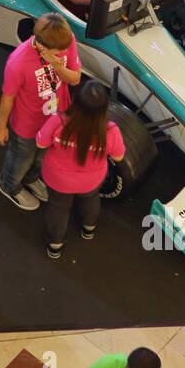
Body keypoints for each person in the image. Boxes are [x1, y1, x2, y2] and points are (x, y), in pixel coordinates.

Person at [0, 13, 82, 211]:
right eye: (59, 51)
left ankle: (30, 179)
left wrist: (58, 66)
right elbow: (7, 97)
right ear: (42, 46)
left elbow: (75, 79)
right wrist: (1, 127)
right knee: (21, 158)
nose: (64, 52)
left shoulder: (66, 41)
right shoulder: (17, 62)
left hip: (56, 118)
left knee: (42, 156)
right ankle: (9, 186)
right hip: (27, 124)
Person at [37, 80, 124, 259]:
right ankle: (88, 228)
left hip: (58, 180)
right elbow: (118, 157)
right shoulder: (111, 131)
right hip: (91, 181)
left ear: (75, 101)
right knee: (90, 200)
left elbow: (40, 142)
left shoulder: (58, 121)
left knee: (58, 209)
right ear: (104, 109)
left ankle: (55, 245)